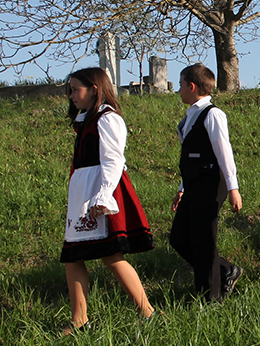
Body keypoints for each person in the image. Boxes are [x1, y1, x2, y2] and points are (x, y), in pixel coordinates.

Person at [60, 67, 155, 331]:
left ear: (94, 89)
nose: (71, 95)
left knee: (111, 255)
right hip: (82, 192)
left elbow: (113, 161)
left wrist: (102, 196)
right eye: (70, 90)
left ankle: (147, 312)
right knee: (72, 256)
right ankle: (79, 320)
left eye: (75, 89)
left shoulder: (107, 119)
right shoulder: (85, 120)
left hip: (100, 191)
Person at [170, 63, 243, 301]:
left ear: (191, 86)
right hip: (193, 182)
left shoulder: (213, 114)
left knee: (203, 239)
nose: (178, 90)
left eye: (180, 85)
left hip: (211, 182)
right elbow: (190, 157)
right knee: (179, 237)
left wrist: (233, 188)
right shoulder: (189, 117)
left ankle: (211, 297)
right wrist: (182, 188)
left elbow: (224, 152)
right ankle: (225, 270)